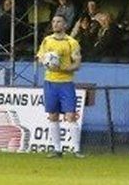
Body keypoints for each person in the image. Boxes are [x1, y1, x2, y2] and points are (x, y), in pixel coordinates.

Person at [35, 15, 84, 158]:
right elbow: (39, 58)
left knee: (70, 116)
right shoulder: (47, 41)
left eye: (59, 22)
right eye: (54, 22)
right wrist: (46, 62)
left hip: (66, 83)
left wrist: (64, 68)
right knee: (53, 116)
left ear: (65, 25)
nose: (55, 24)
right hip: (50, 82)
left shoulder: (72, 42)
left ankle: (76, 149)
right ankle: (57, 149)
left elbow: (77, 64)